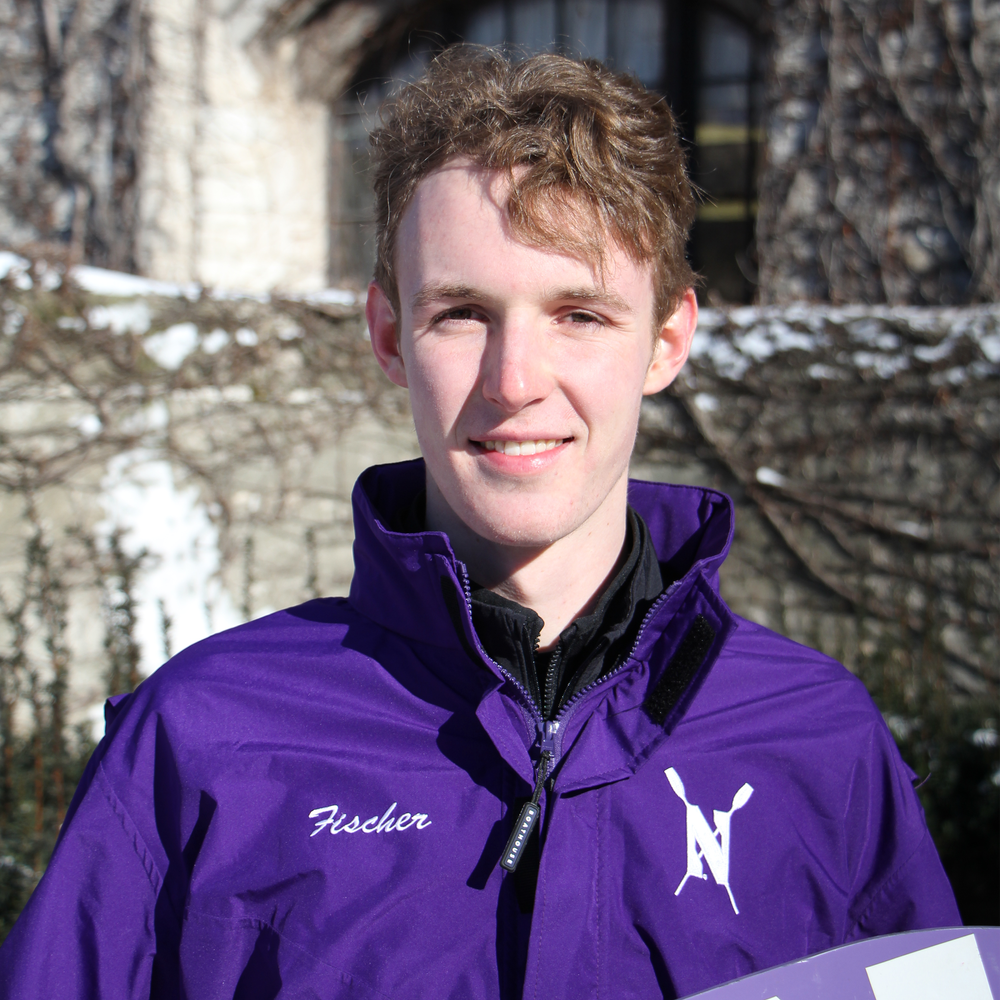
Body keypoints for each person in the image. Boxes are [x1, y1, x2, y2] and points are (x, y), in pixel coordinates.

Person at [0, 47, 958, 999]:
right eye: (461, 313)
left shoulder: (820, 741)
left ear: (667, 340)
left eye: (579, 314)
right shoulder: (201, 740)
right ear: (388, 336)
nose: (513, 382)